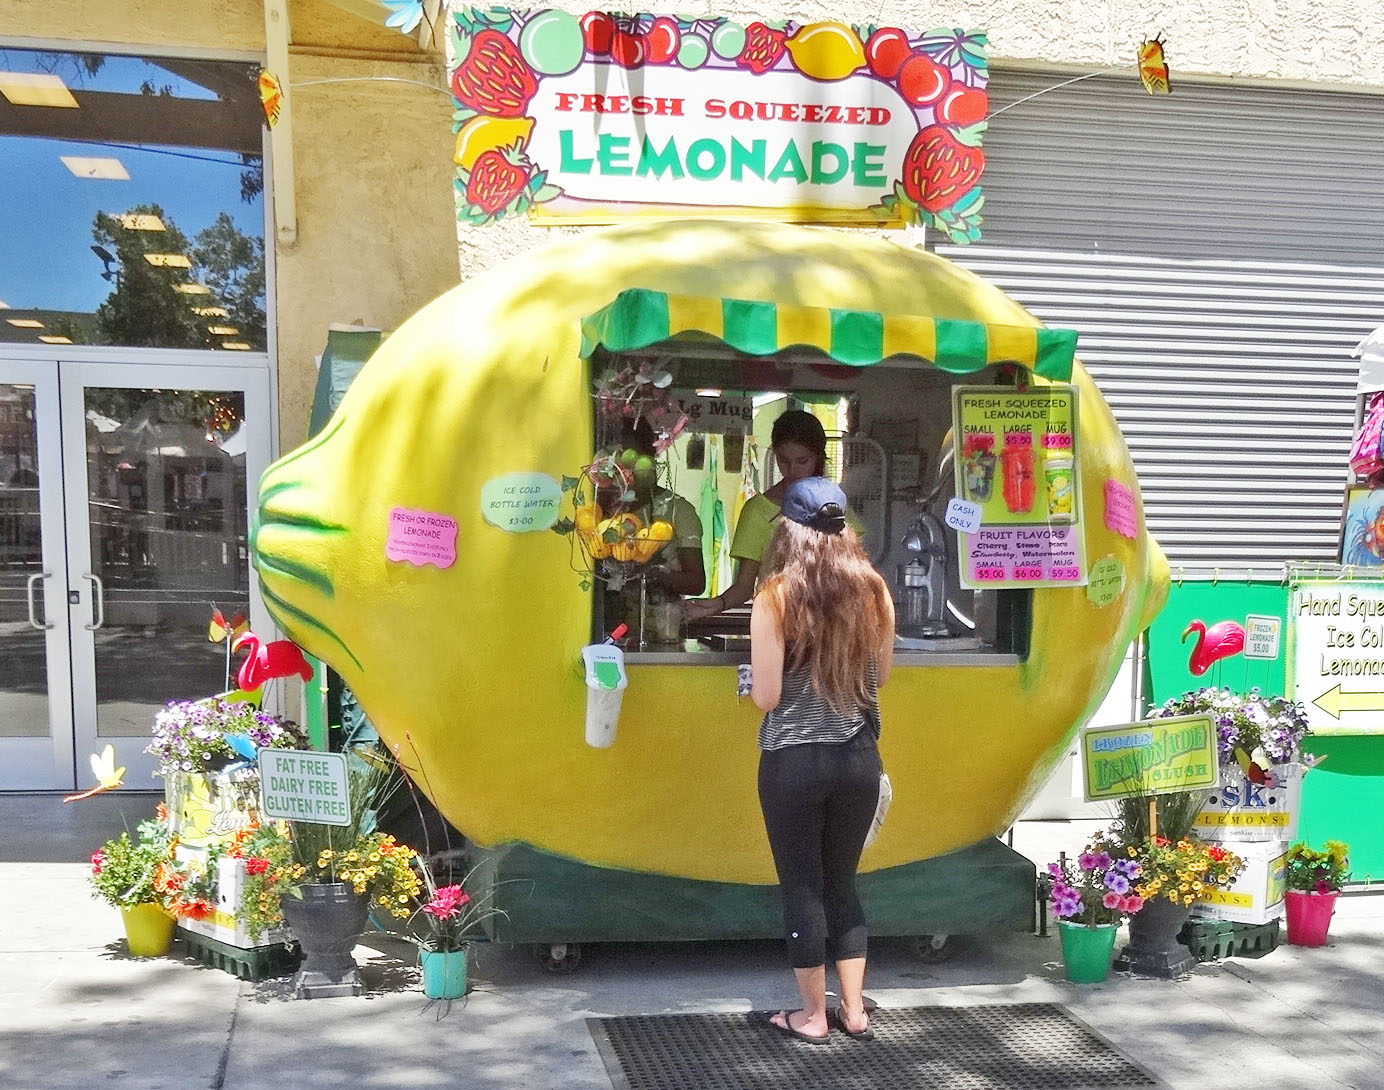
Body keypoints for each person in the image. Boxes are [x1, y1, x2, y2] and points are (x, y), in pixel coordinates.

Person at [750, 476, 894, 1043]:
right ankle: (854, 1011)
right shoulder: (874, 589)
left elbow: (766, 697)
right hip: (858, 757)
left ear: (790, 528)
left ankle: (812, 1017)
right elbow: (879, 676)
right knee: (843, 884)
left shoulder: (776, 595)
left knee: (802, 889)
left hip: (794, 761)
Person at [686, 409, 858, 622]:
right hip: (775, 623)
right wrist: (716, 604)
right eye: (784, 460)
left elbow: (853, 576)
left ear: (818, 457)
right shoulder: (757, 510)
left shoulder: (835, 506)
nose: (792, 469)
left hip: (828, 625)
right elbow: (743, 587)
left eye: (802, 461)